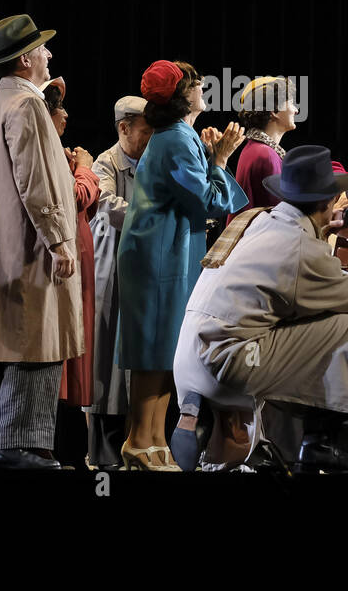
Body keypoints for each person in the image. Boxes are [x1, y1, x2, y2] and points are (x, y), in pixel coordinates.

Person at [171, 145, 348, 473]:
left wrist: (321, 231)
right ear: (326, 202)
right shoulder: (302, 248)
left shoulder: (257, 220)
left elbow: (285, 277)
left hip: (188, 357)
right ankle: (319, 443)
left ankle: (204, 423)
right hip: (228, 365)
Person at [116, 60, 248, 470]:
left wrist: (210, 156)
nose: (202, 89)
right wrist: (222, 159)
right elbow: (208, 199)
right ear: (180, 98)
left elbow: (198, 191)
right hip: (158, 255)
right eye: (194, 85)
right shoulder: (174, 138)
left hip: (169, 251)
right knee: (152, 347)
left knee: (165, 350)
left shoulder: (179, 135)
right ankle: (139, 439)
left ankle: (154, 439)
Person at [0, 15, 80, 470]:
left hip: (18, 246)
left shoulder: (5, 101)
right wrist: (57, 240)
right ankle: (13, 444)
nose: (48, 55)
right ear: (24, 59)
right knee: (34, 343)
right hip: (31, 248)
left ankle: (27, 444)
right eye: (41, 49)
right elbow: (34, 180)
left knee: (37, 344)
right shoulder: (25, 107)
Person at [86, 95, 151, 468]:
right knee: (104, 370)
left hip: (137, 277)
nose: (152, 136)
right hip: (109, 276)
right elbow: (110, 207)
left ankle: (132, 446)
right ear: (124, 128)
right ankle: (101, 454)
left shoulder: (148, 162)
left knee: (130, 369)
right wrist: (157, 213)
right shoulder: (104, 163)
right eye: (146, 129)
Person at [38, 78, 99, 422]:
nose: (66, 114)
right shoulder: (47, 150)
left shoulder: (57, 151)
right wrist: (86, 169)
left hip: (77, 255)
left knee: (77, 342)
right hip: (64, 260)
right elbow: (73, 198)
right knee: (62, 346)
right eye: (60, 107)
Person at [228, 76, 298, 221]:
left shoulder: (257, 149)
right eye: (291, 103)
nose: (296, 110)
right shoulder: (265, 155)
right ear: (274, 111)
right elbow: (280, 219)